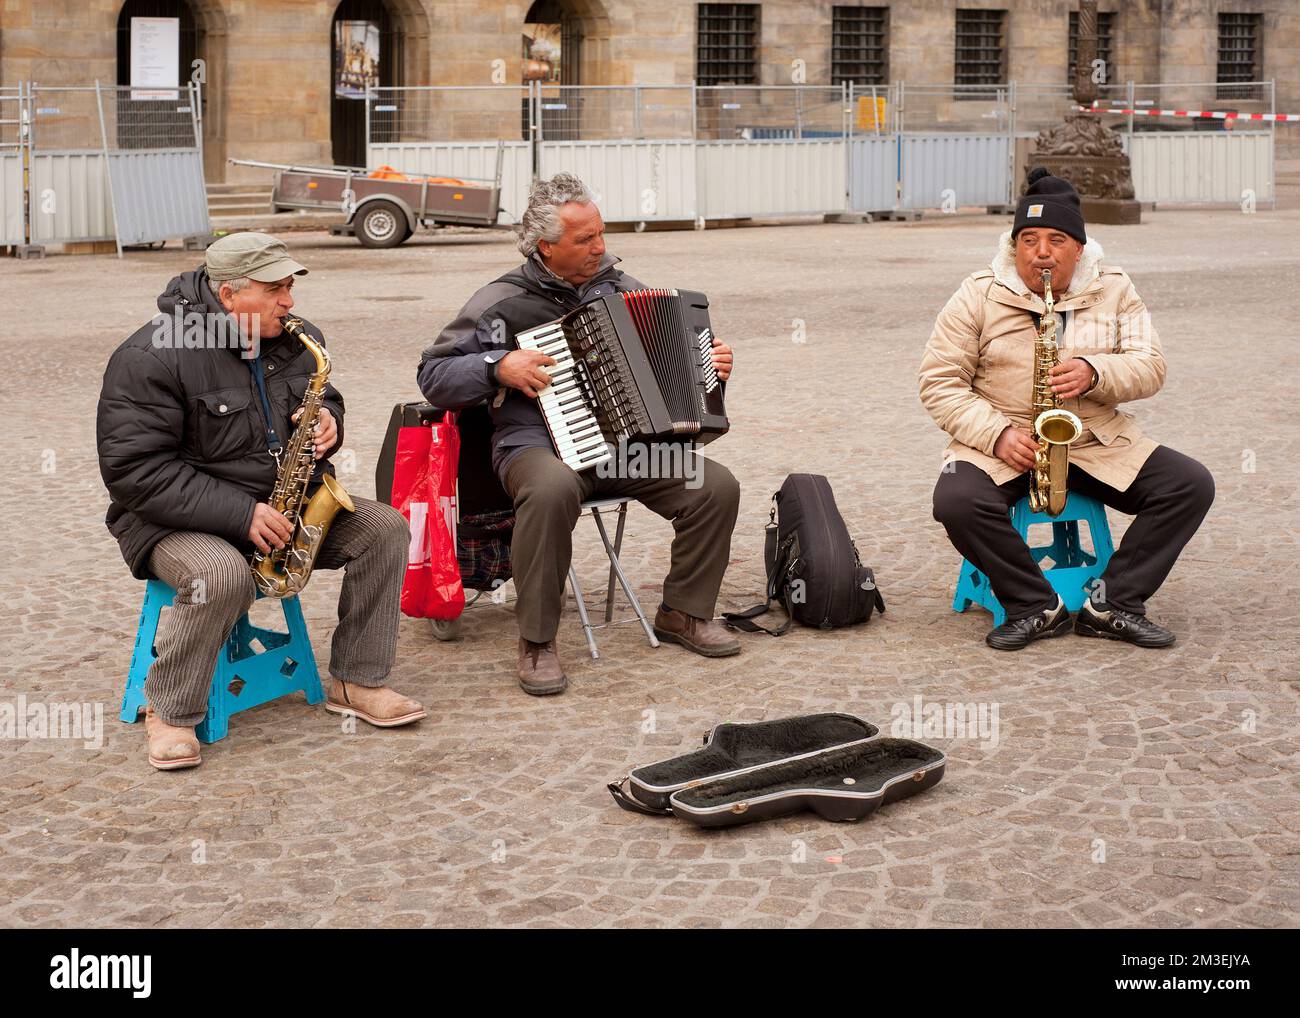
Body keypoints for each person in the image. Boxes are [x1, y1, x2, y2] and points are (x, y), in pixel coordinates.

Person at [97, 233, 425, 770]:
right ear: (229, 295)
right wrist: (239, 513)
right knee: (222, 574)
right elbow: (135, 472)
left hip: (282, 507)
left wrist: (329, 423)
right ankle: (171, 709)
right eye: (276, 289)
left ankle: (357, 679)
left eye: (290, 286)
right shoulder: (150, 356)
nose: (289, 302)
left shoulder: (299, 340)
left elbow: (326, 395)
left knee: (383, 528)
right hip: (170, 521)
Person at [418, 173, 742, 695]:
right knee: (550, 490)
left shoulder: (625, 289)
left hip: (624, 453)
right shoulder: (500, 302)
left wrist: (711, 365)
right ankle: (538, 642)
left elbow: (680, 362)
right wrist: (496, 365)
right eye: (585, 239)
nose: (600, 247)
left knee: (715, 486)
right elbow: (433, 376)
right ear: (545, 246)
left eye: (600, 234)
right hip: (536, 447)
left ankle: (683, 611)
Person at [920, 168, 1214, 651]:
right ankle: (1035, 605)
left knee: (1189, 484)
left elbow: (1151, 366)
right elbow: (939, 382)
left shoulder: (1115, 289)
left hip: (1094, 439)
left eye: (1057, 240)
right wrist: (996, 435)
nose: (1041, 252)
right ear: (1013, 245)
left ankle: (1113, 603)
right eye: (1028, 239)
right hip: (1004, 444)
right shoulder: (976, 293)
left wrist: (1095, 372)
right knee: (955, 500)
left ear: (1079, 249)